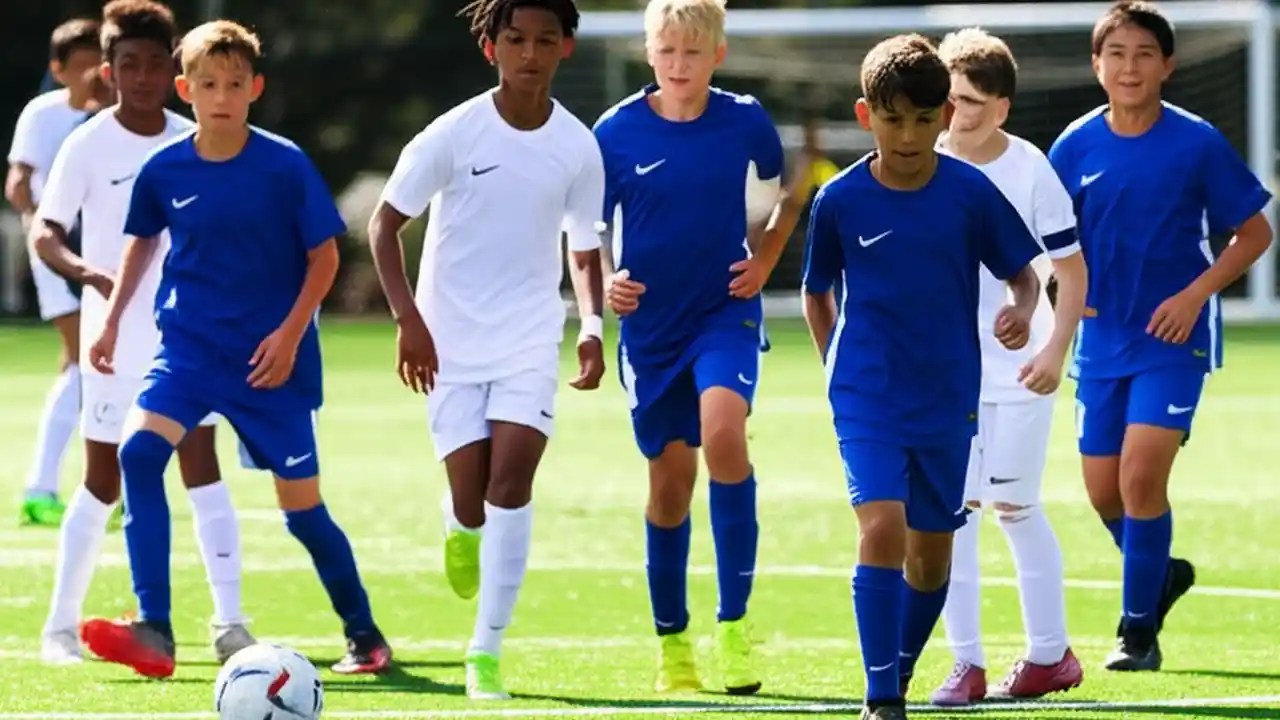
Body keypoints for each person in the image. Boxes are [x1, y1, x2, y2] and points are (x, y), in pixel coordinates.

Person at [78, 18, 391, 679]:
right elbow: (140, 243)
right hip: (188, 353)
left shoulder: (285, 165)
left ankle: (365, 635)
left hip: (269, 366)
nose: (223, 95)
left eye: (236, 83)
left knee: (302, 513)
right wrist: (108, 322)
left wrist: (288, 334)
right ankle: (155, 630)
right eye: (209, 83)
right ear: (185, 89)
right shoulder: (164, 170)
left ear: (256, 88)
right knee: (137, 454)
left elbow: (324, 258)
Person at [800, 34, 1059, 720]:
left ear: (945, 116)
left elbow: (1024, 276)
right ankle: (881, 696)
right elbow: (816, 290)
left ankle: (900, 663)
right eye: (892, 119)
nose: (908, 134)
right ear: (866, 116)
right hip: (867, 396)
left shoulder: (971, 193)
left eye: (922, 118)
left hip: (948, 397)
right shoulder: (841, 200)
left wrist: (1020, 309)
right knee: (881, 525)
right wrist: (836, 366)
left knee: (931, 562)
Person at [366, 0, 605, 700]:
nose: (529, 53)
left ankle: (486, 651)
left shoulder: (577, 145)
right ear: (490, 48)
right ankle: (460, 527)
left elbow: (583, 244)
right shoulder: (453, 134)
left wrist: (590, 327)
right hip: (447, 344)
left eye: (544, 40)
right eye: (515, 39)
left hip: (530, 337)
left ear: (565, 48)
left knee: (512, 483)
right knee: (471, 499)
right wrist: (408, 320)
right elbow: (383, 227)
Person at [27, 0, 253, 668]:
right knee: (104, 479)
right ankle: (59, 628)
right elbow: (45, 228)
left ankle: (230, 625)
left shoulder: (198, 138)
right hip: (111, 341)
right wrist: (84, 272)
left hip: (190, 342)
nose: (145, 76)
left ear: (175, 72)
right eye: (131, 64)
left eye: (158, 64)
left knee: (201, 469)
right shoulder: (86, 143)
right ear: (108, 71)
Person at [1049, 0, 1272, 671]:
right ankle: (1161, 574)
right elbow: (1046, 237)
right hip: (1101, 339)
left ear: (1168, 65)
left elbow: (1255, 231)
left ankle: (1137, 633)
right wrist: (1057, 293)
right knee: (1102, 491)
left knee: (1142, 479)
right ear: (1096, 65)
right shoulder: (1074, 145)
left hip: (1173, 338)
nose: (1129, 66)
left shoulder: (1197, 141)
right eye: (1116, 54)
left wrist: (1194, 295)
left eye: (1144, 53)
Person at [594, 0, 788, 696]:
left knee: (725, 430)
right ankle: (673, 641)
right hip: (650, 330)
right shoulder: (614, 131)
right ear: (649, 52)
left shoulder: (745, 120)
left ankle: (735, 628)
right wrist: (604, 287)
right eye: (667, 51)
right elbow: (585, 229)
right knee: (670, 488)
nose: (679, 65)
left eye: (693, 53)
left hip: (723, 312)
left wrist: (764, 260)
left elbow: (785, 197)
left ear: (718, 55)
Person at [928, 27, 1089, 706]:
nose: (951, 112)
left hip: (1021, 371)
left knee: (1016, 506)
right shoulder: (920, 160)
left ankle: (1050, 655)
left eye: (965, 100)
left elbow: (1071, 270)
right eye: (947, 98)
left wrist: (1056, 349)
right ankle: (965, 665)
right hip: (946, 373)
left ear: (999, 108)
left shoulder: (1029, 170)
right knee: (952, 514)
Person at [7, 18, 104, 527]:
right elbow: (17, 180)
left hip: (108, 251)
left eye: (98, 60)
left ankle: (84, 486)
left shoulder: (115, 114)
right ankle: (46, 486)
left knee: (93, 366)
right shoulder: (43, 115)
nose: (92, 72)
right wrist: (42, 225)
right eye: (81, 63)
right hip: (59, 251)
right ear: (58, 70)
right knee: (82, 362)